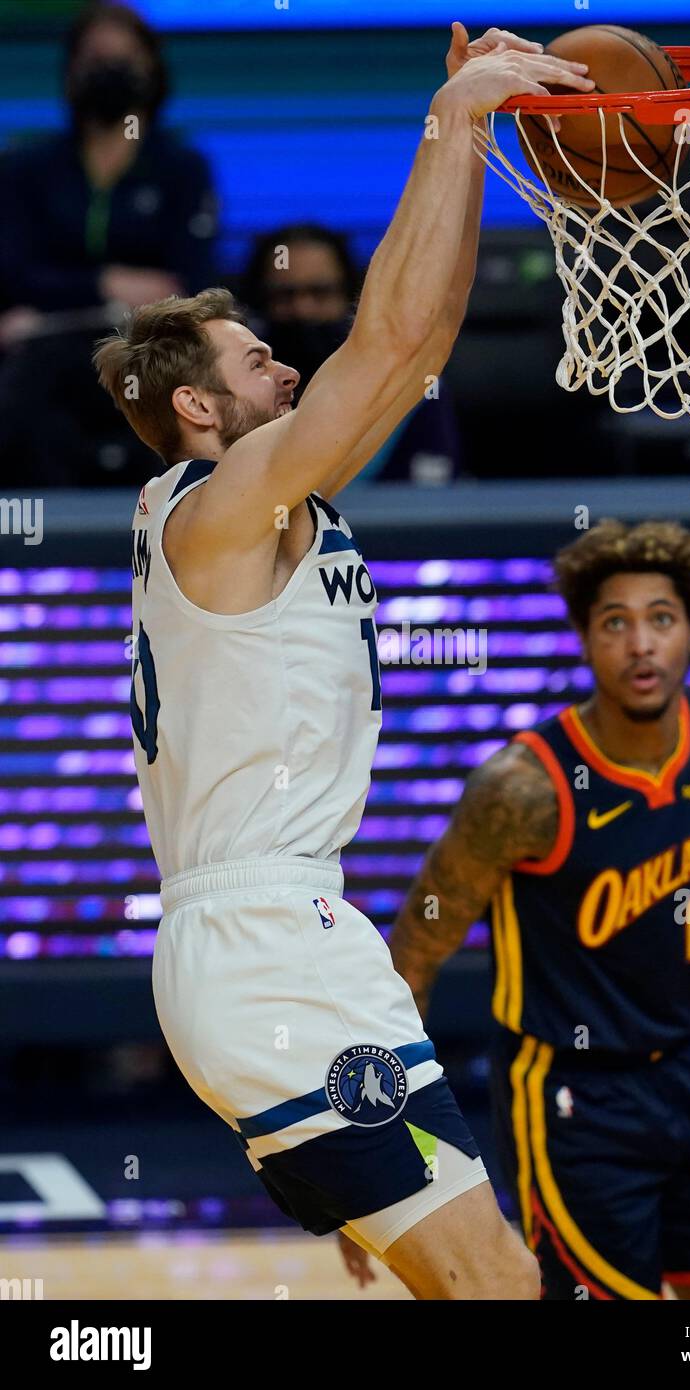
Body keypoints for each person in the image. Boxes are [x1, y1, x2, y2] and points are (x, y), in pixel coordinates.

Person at [92, 25, 595, 1300]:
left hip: (299, 937)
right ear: (197, 409)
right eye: (258, 359)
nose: (290, 363)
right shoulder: (211, 504)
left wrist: (470, 144)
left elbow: (413, 349)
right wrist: (454, 116)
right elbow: (381, 351)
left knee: (481, 1287)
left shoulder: (263, 497)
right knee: (501, 1291)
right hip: (265, 948)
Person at [381, 518, 690, 1300]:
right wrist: (381, 1143)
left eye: (661, 619)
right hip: (574, 1102)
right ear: (584, 639)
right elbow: (416, 951)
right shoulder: (522, 791)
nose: (641, 644)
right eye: (616, 623)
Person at [0, 1, 217, 486]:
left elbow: (191, 283)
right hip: (40, 352)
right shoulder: (26, 168)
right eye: (96, 60)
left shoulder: (181, 168)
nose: (110, 72)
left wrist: (63, 290)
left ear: (152, 70)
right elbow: (14, 274)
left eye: (124, 60)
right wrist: (108, 283)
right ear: (71, 72)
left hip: (149, 349)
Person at [242, 223, 462, 484]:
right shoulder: (236, 391)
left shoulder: (412, 387)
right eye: (285, 295)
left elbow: (432, 501)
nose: (303, 309)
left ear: (351, 298)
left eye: (320, 293)